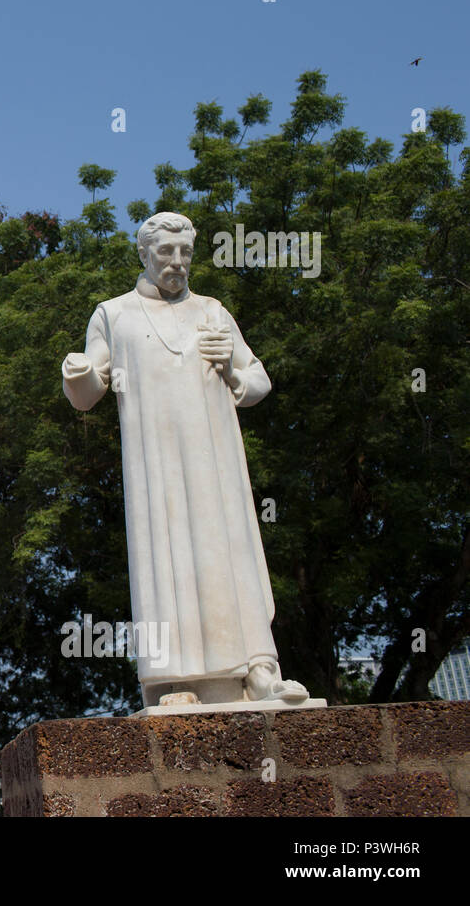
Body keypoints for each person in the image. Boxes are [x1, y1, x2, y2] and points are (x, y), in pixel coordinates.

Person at [61, 212, 313, 709]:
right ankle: (174, 681)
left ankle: (258, 669)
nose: (176, 263)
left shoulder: (212, 312)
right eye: (165, 253)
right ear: (144, 255)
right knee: (164, 555)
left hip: (215, 458)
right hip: (155, 465)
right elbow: (89, 392)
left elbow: (257, 380)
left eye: (184, 253)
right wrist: (78, 372)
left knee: (230, 548)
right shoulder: (114, 314)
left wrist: (230, 368)